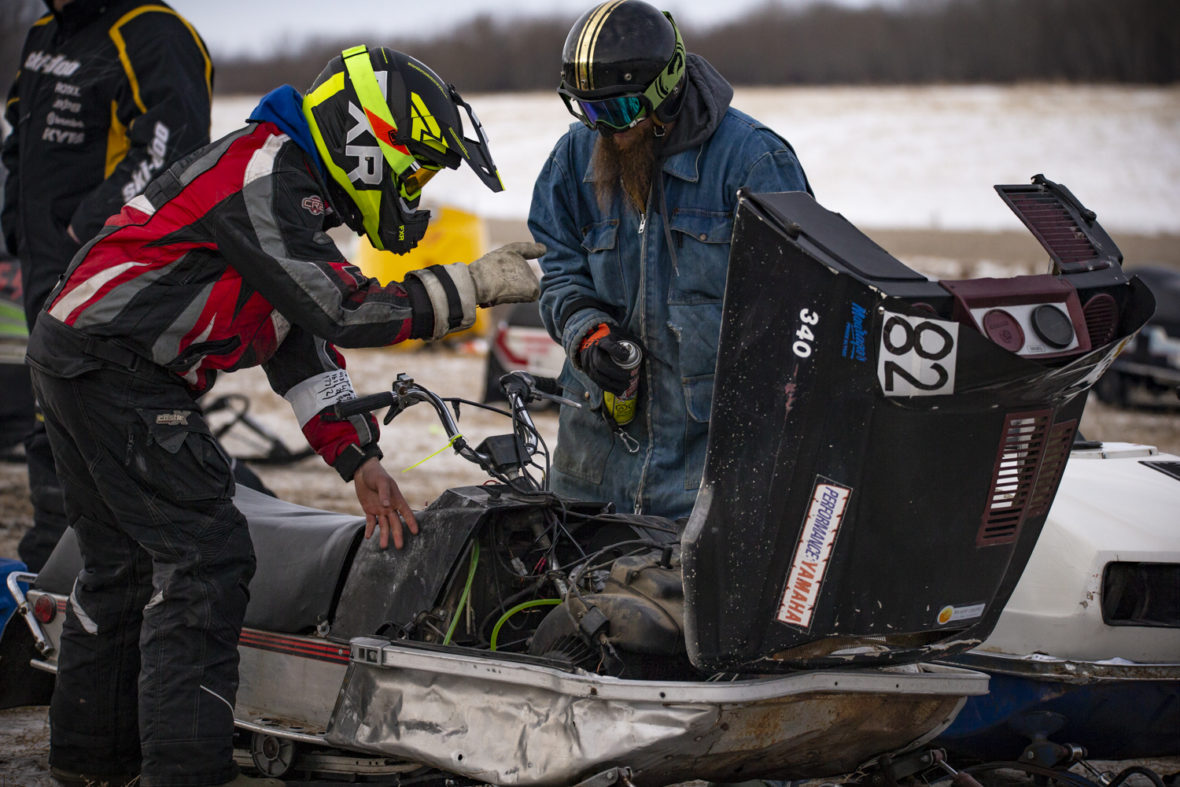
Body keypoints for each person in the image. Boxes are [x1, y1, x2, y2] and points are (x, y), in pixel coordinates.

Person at [25, 44, 543, 787]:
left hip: (81, 355)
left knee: (123, 560)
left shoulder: (281, 184)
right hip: (115, 366)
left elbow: (299, 335)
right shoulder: (267, 174)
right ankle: (183, 772)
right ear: (368, 142)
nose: (416, 188)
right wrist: (467, 285)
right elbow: (340, 307)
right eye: (417, 169)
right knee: (205, 558)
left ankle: (89, 761)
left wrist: (357, 459)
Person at [529, 0, 812, 520]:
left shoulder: (754, 163)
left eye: (614, 112)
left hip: (705, 480)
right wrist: (587, 335)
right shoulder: (571, 160)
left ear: (665, 91)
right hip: (592, 473)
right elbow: (560, 270)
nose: (602, 131)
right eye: (587, 111)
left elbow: (795, 318)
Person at [2, 0, 215, 571]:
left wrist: (87, 227)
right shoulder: (46, 31)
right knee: (54, 422)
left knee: (121, 424)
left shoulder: (153, 32)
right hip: (46, 266)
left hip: (111, 272)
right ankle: (57, 565)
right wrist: (15, 221)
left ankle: (125, 572)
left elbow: (174, 155)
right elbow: (18, 131)